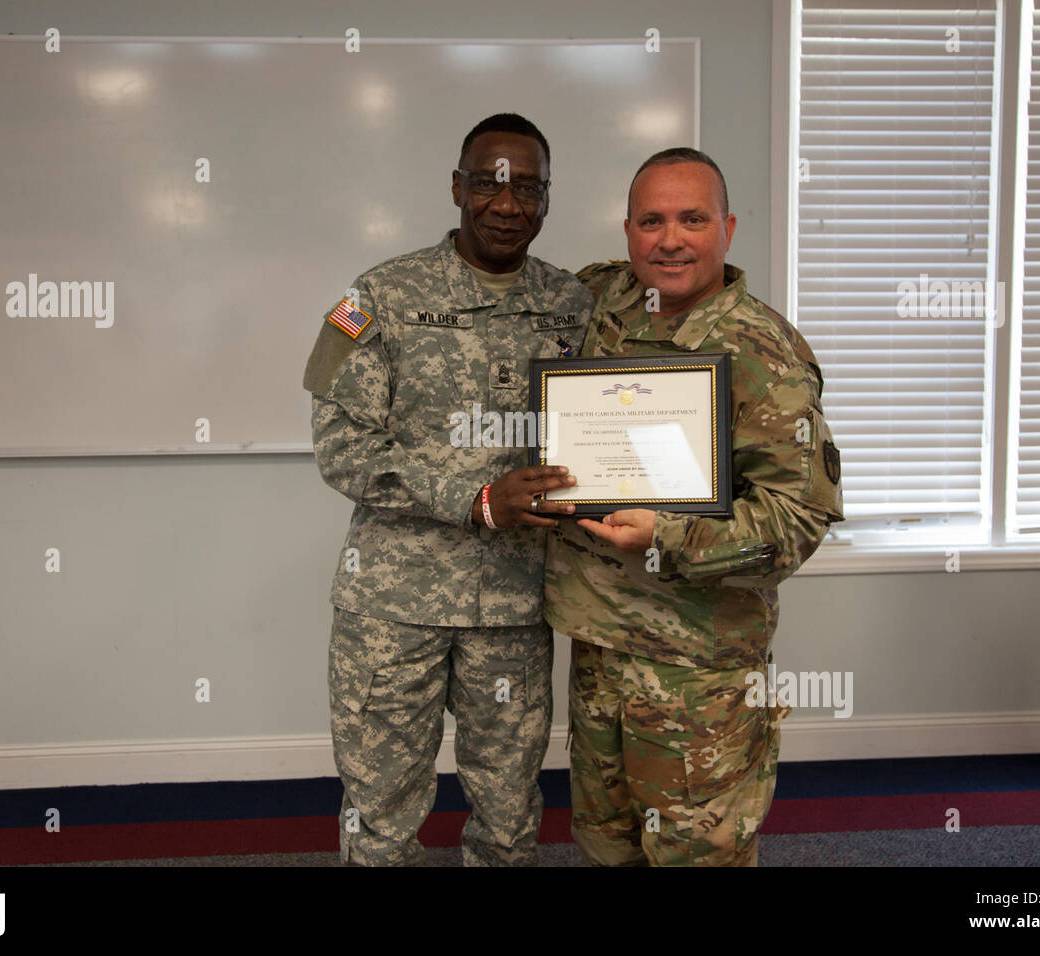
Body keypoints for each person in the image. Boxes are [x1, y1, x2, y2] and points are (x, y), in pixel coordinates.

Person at [302, 112, 592, 866]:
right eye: (490, 183)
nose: (507, 203)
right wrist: (476, 496)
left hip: (513, 604)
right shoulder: (380, 296)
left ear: (547, 198)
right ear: (457, 187)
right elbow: (341, 447)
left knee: (508, 817)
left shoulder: (576, 308)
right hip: (394, 610)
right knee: (382, 817)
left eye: (527, 186)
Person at [545, 147, 845, 866]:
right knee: (606, 848)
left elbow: (798, 521)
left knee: (695, 856)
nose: (670, 238)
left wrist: (670, 535)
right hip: (597, 652)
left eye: (692, 219)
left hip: (698, 675)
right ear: (626, 232)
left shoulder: (765, 355)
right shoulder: (599, 298)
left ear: (728, 228)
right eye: (651, 220)